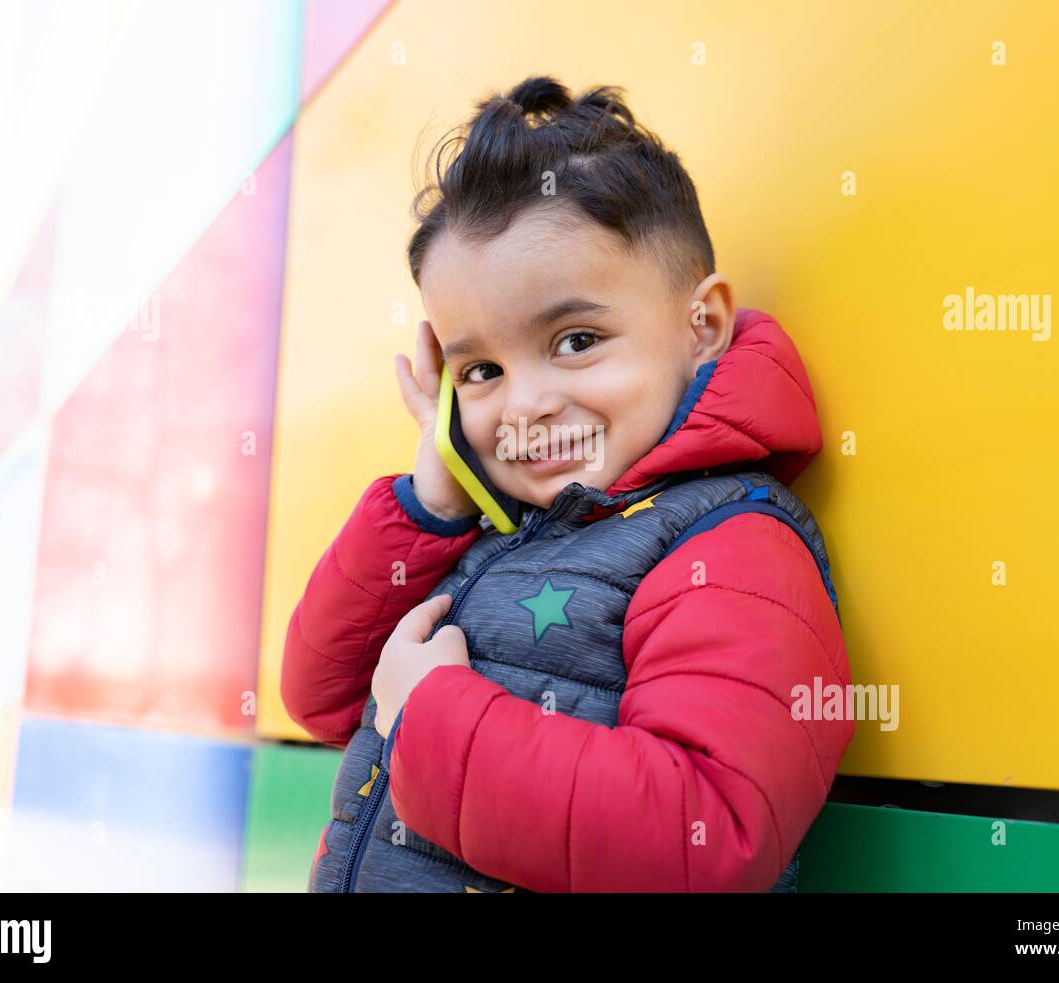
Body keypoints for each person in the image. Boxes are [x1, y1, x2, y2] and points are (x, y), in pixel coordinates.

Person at [281, 75, 853, 892]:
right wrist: (433, 503)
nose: (527, 403)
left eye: (577, 339)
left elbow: (708, 831)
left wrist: (430, 716)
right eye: (480, 368)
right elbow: (322, 694)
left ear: (705, 327)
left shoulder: (730, 547)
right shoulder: (497, 533)